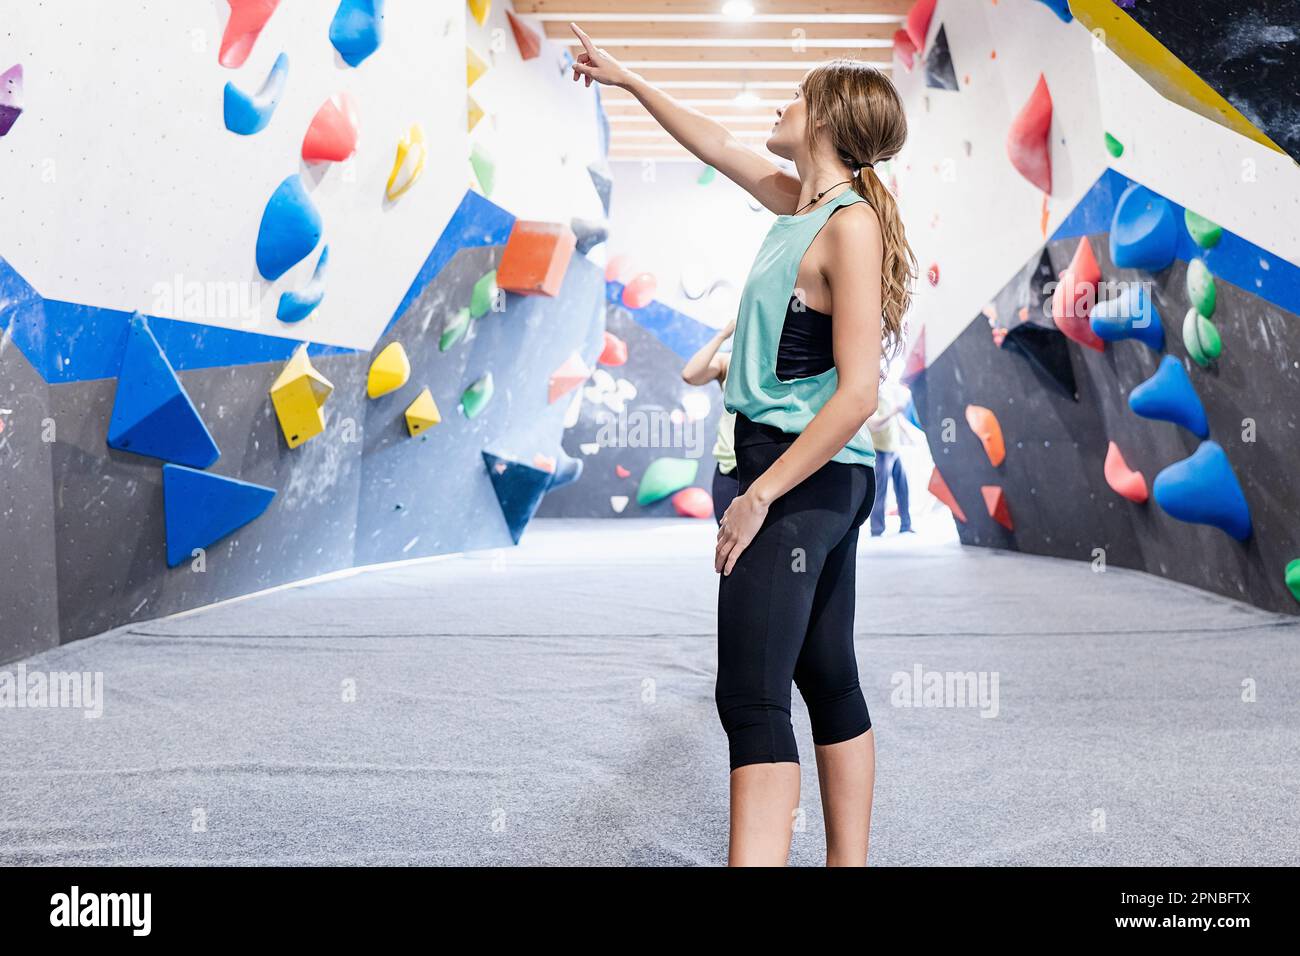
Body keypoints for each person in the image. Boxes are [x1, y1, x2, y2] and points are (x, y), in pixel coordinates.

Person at [571, 25, 915, 867]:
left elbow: (859, 390)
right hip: (810, 480)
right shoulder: (801, 206)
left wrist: (761, 495)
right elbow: (717, 141)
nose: (778, 104)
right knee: (825, 675)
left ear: (827, 120)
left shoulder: (850, 224)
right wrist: (626, 77)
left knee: (751, 698)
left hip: (798, 480)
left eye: (794, 95)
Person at [680, 319, 738, 524]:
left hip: (767, 465)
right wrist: (722, 335)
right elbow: (690, 374)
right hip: (730, 466)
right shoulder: (728, 361)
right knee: (728, 544)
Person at [866, 385, 912, 536]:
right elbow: (874, 425)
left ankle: (906, 525)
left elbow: (897, 421)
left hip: (894, 450)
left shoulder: (887, 398)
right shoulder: (870, 402)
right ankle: (877, 529)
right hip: (880, 451)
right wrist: (893, 412)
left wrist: (909, 436)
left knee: (903, 488)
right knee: (880, 491)